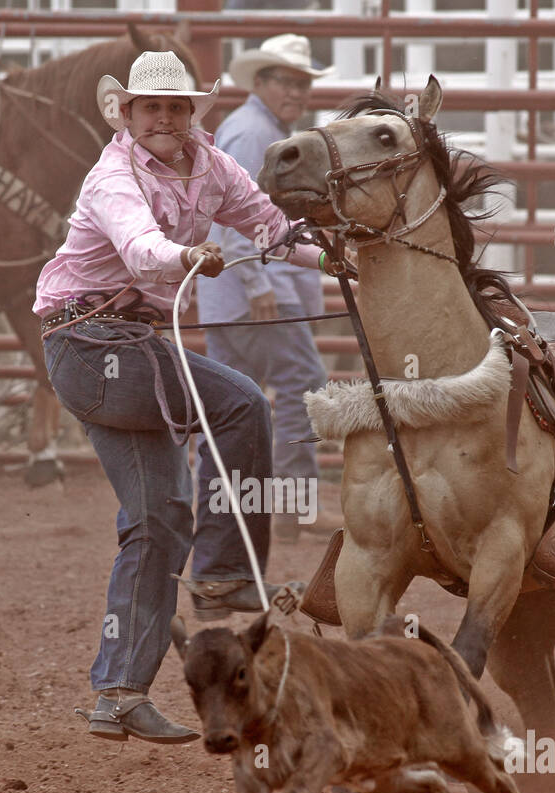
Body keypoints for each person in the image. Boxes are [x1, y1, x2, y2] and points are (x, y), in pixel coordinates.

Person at [35, 51, 325, 745]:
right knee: (242, 404)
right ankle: (224, 573)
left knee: (158, 518)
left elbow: (269, 227)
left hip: (123, 348)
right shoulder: (113, 175)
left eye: (174, 107)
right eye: (150, 108)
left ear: (191, 112)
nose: (163, 118)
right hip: (92, 344)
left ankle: (119, 692)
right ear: (127, 115)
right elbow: (140, 249)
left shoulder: (213, 165)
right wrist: (185, 256)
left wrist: (340, 260)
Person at [198, 34, 341, 540]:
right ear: (261, 82)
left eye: (302, 84)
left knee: (235, 399)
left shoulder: (251, 127)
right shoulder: (254, 132)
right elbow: (231, 210)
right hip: (260, 294)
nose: (297, 92)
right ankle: (293, 507)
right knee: (303, 383)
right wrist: (256, 279)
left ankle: (229, 509)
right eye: (287, 81)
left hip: (236, 294)